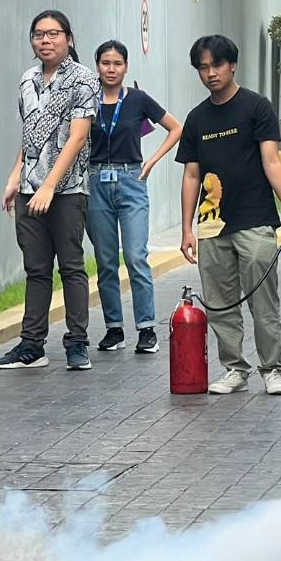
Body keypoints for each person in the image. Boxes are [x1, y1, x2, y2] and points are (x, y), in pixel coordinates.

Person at [176, 34, 281, 396]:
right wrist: (187, 230)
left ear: (231, 65)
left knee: (263, 298)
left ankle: (273, 369)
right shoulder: (196, 119)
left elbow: (271, 161)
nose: (210, 74)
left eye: (216, 65)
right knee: (219, 301)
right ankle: (234, 368)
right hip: (212, 223)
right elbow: (191, 176)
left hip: (255, 219)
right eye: (203, 68)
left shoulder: (256, 107)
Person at [0, 11, 100, 371]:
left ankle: (77, 343)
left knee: (70, 266)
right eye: (38, 34)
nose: (45, 40)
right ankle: (31, 346)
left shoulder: (83, 79)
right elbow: (30, 136)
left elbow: (77, 136)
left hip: (67, 191)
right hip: (28, 189)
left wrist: (50, 186)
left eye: (53, 33)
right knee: (36, 269)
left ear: (68, 38)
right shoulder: (28, 79)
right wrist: (14, 177)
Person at [86, 40, 183, 356]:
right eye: (105, 63)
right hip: (96, 180)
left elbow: (175, 128)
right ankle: (114, 329)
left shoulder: (138, 99)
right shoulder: (87, 100)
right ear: (97, 65)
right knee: (105, 260)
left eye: (117, 63)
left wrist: (152, 161)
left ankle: (146, 329)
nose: (110, 69)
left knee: (136, 256)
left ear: (126, 67)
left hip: (131, 180)